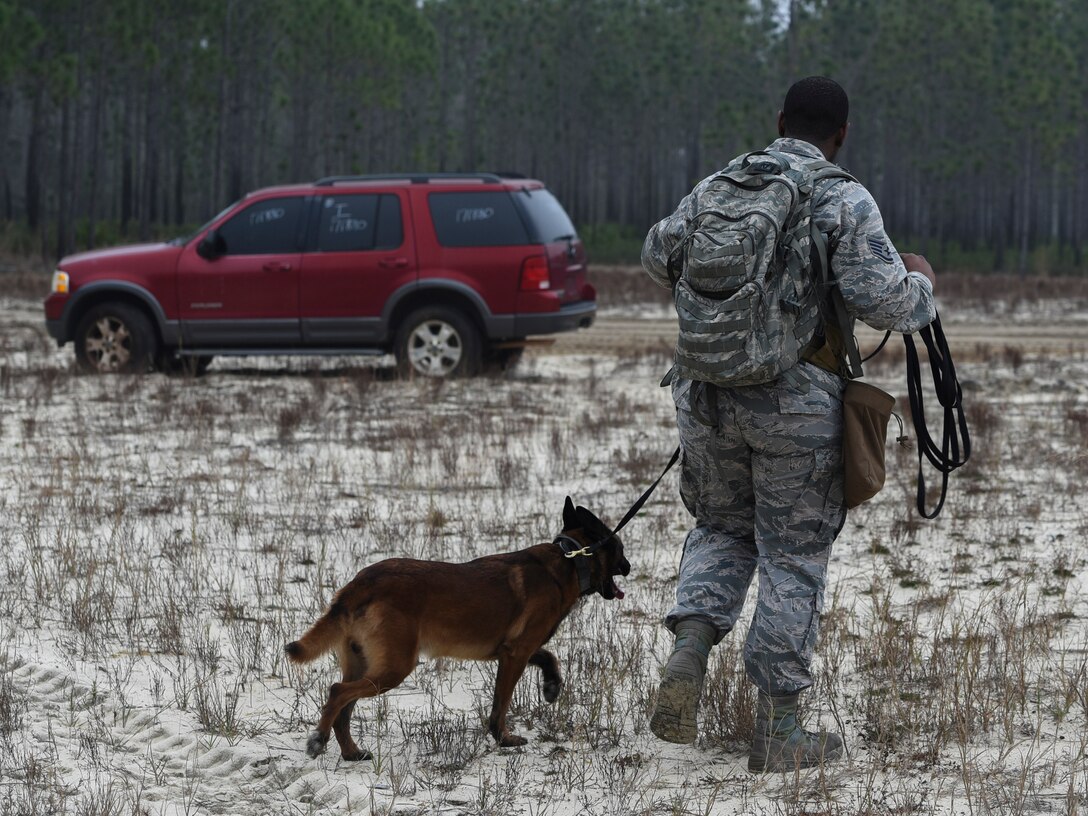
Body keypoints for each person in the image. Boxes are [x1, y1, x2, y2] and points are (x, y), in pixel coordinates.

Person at [641, 76, 937, 772]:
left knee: (721, 529)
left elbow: (657, 255)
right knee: (792, 555)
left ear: (779, 121)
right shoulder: (842, 197)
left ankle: (689, 650)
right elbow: (888, 302)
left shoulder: (717, 186)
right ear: (842, 134)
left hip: (706, 396)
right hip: (794, 402)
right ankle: (779, 730)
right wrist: (922, 280)